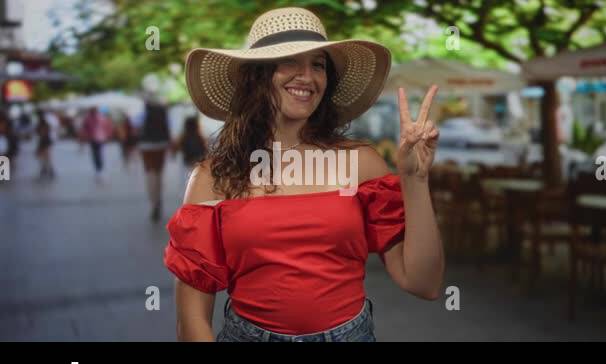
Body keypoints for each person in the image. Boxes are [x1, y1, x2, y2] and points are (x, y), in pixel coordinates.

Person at [164, 7, 444, 342]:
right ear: (257, 75)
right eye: (290, 61)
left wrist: (415, 181)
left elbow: (423, 283)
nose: (307, 76)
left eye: (318, 64)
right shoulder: (213, 177)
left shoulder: (361, 163)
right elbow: (192, 321)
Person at [137, 99, 171, 223]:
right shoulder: (163, 111)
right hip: (161, 144)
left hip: (146, 145)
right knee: (159, 173)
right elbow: (168, 127)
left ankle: (153, 202)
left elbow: (138, 126)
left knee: (150, 174)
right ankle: (158, 197)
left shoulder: (144, 112)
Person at [79, 107, 113, 182]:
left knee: (97, 154)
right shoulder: (92, 118)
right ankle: (99, 169)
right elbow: (84, 129)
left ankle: (99, 169)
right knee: (97, 154)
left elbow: (108, 127)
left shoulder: (99, 118)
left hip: (98, 138)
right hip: (95, 138)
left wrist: (108, 134)